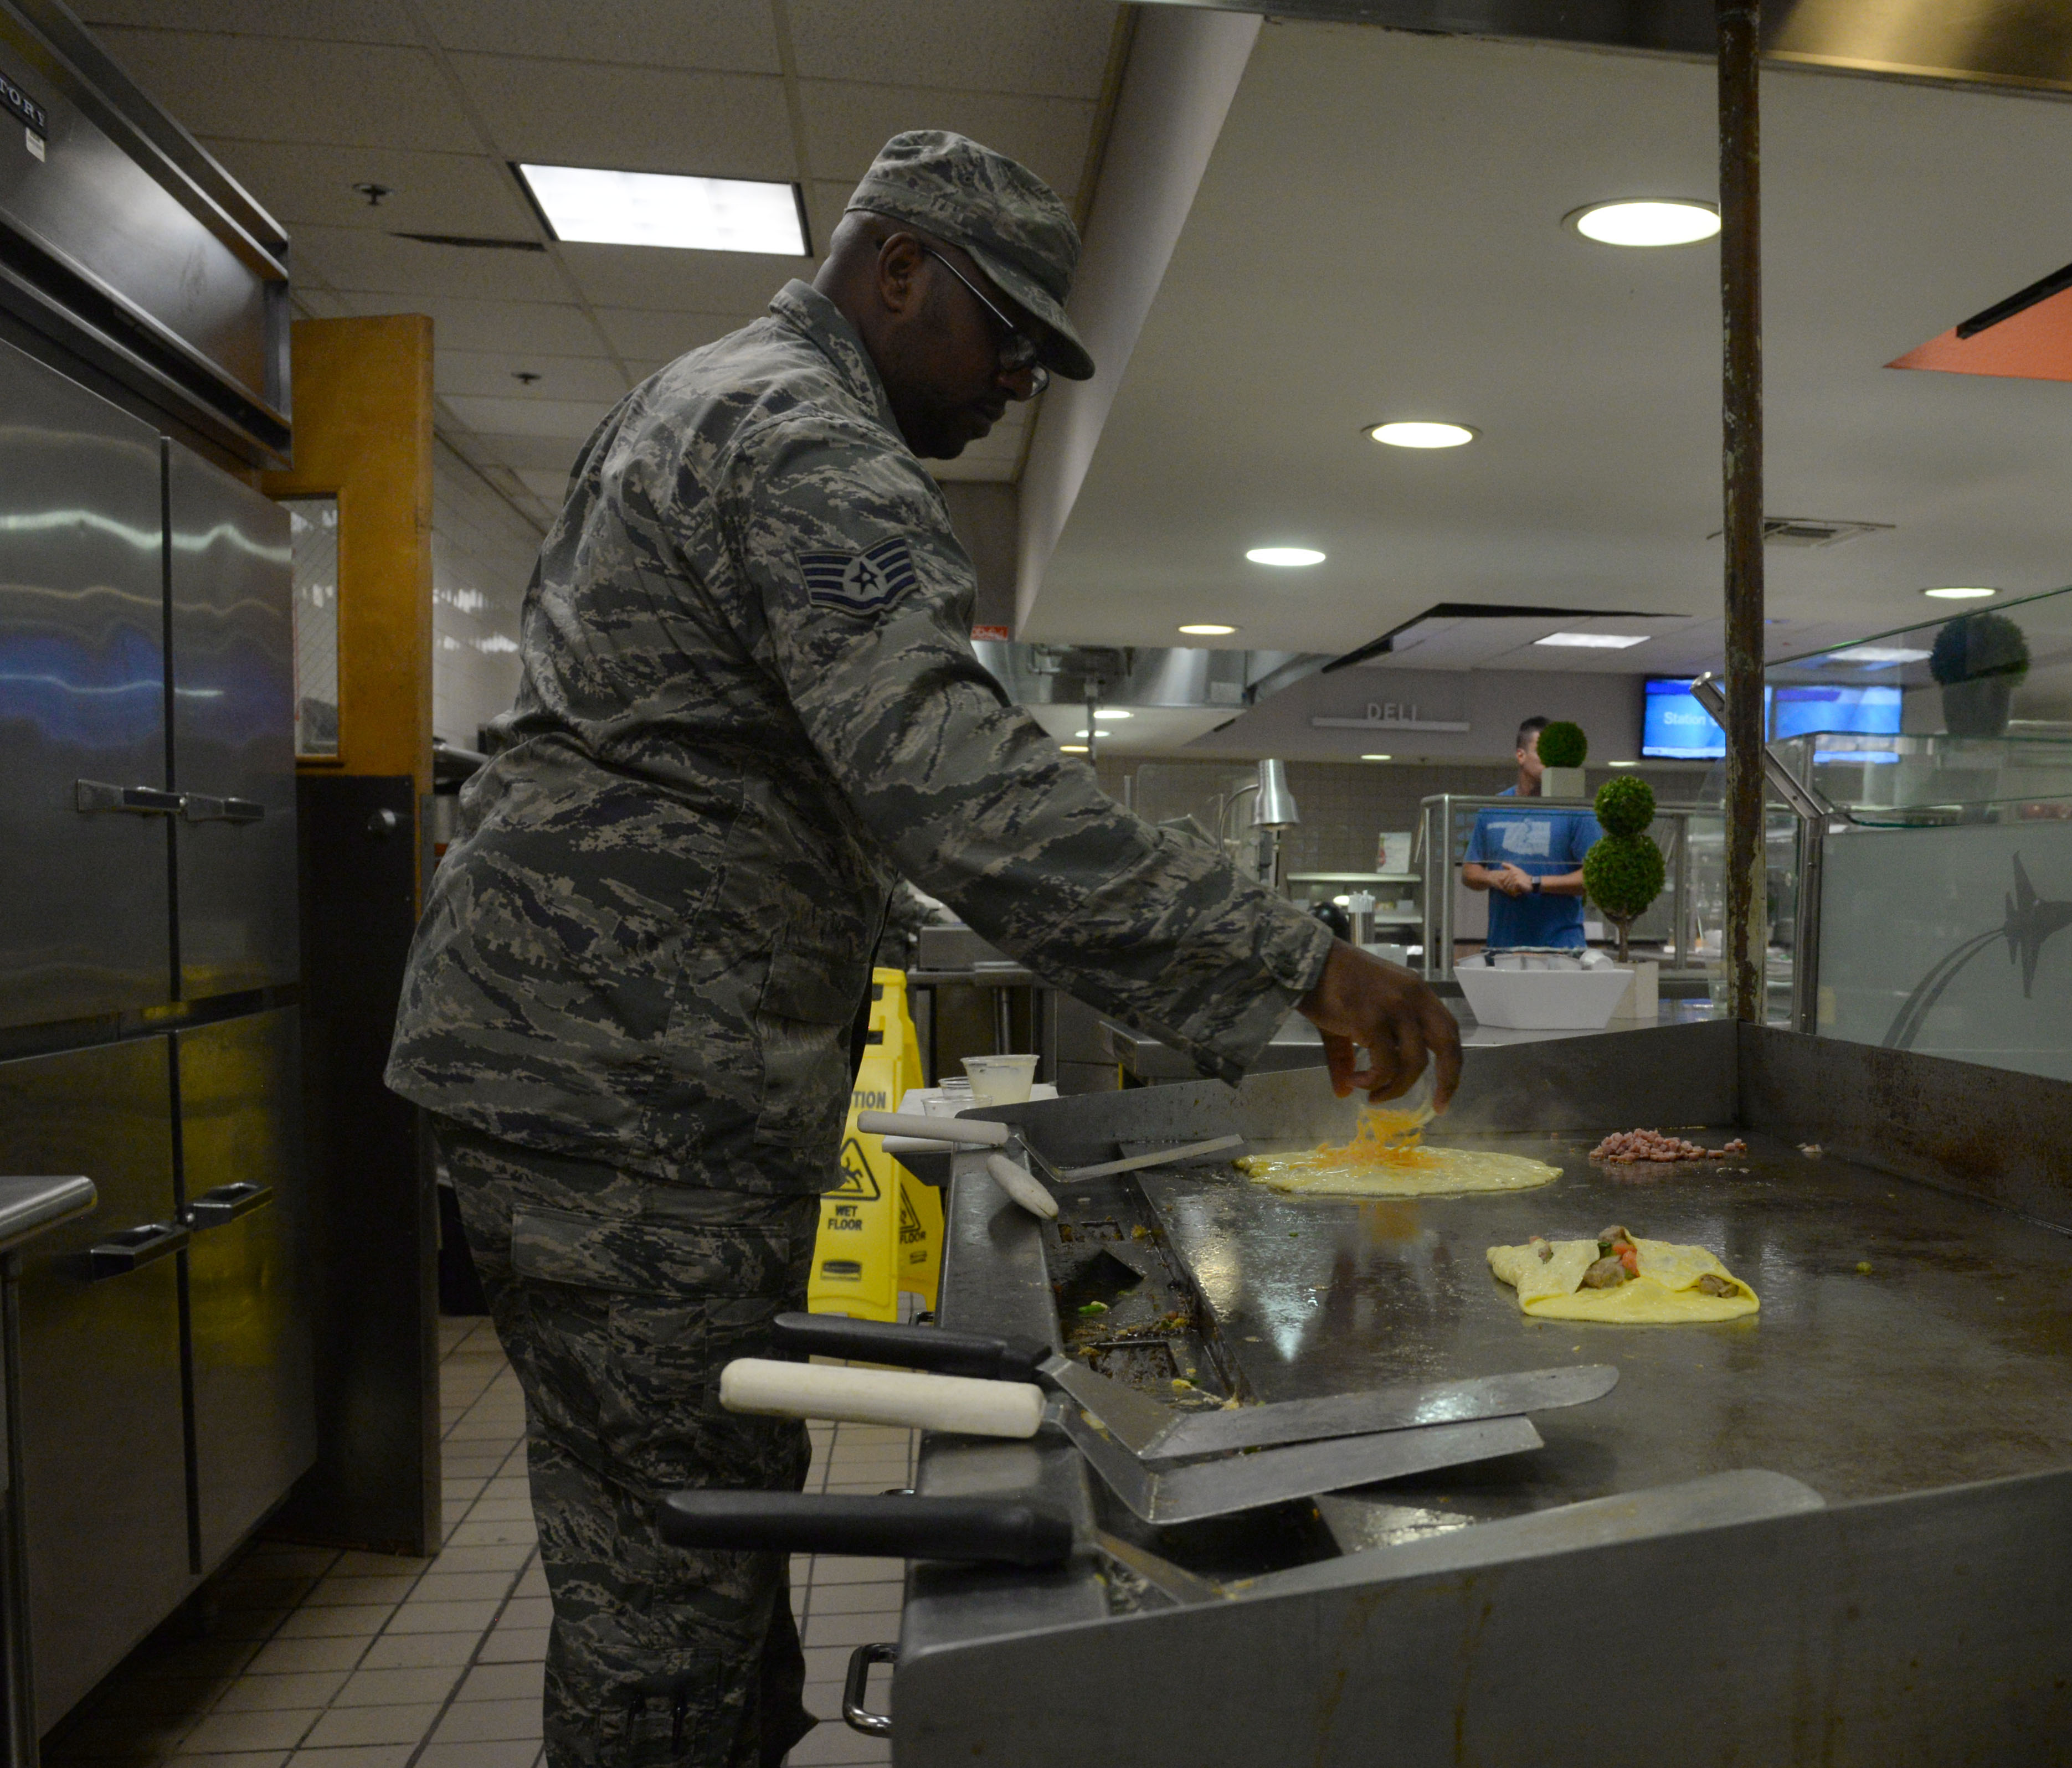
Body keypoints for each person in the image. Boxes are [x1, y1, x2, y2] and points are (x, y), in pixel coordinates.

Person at [385, 132, 1459, 1768]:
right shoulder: (809, 437)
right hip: (624, 1099)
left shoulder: (700, 394)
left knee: (697, 1540)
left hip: (600, 1072)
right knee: (662, 1605)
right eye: (1003, 330)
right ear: (896, 270)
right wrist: (1303, 960)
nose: (1015, 377)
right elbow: (962, 791)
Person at [1458, 714, 1598, 949]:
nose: (1551, 761)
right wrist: (1494, 877)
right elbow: (1470, 872)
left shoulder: (1576, 811)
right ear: (1520, 756)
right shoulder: (1494, 809)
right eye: (1543, 752)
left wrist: (1534, 883)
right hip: (1503, 949)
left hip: (1562, 951)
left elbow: (1594, 878)